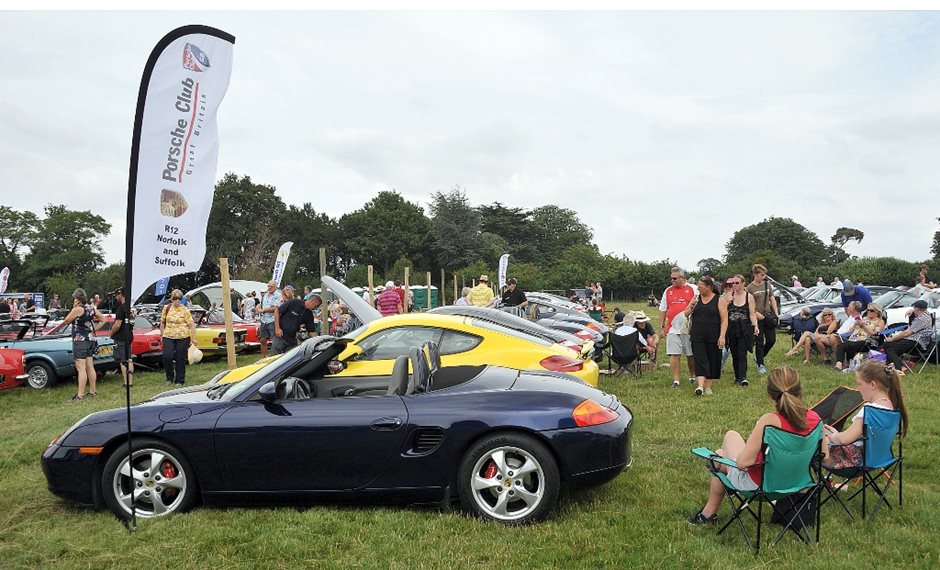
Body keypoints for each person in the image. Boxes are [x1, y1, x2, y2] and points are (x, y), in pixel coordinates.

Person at [688, 366, 821, 524]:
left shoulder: (769, 422)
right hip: (796, 482)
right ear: (800, 391)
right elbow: (823, 458)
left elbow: (742, 463)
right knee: (720, 455)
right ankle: (709, 510)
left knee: (726, 444)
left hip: (760, 485)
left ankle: (708, 514)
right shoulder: (816, 419)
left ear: (771, 396)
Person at [823, 360, 908, 469]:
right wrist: (837, 434)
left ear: (873, 385)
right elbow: (865, 436)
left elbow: (844, 439)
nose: (857, 388)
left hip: (854, 461)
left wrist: (830, 437)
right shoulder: (892, 408)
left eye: (859, 384)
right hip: (879, 458)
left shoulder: (870, 411)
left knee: (815, 443)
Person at [60, 288, 105, 401]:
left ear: (77, 299)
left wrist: (73, 307)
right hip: (90, 339)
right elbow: (103, 319)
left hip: (80, 340)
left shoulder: (78, 309)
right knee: (90, 367)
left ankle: (80, 395)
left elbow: (66, 320)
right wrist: (92, 329)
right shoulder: (90, 308)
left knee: (81, 369)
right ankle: (93, 392)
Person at [685, 276, 727, 396]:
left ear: (709, 287)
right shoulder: (696, 298)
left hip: (713, 334)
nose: (698, 288)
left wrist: (722, 336)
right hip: (697, 334)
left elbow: (724, 320)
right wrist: (691, 305)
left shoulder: (719, 300)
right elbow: (685, 313)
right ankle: (700, 386)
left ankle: (708, 387)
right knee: (700, 359)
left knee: (712, 359)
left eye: (700, 286)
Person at [659, 266, 697, 388]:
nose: (672, 281)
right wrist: (662, 327)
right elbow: (663, 309)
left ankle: (692, 375)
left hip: (688, 328)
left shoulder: (693, 289)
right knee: (674, 354)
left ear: (682, 277)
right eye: (671, 278)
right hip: (672, 328)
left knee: (690, 354)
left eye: (674, 278)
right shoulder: (668, 290)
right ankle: (676, 381)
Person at [724, 274, 759, 386]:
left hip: (744, 328)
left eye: (737, 283)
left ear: (743, 284)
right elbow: (722, 311)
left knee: (742, 353)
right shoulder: (729, 295)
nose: (734, 285)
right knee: (734, 353)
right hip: (732, 328)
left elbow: (752, 314)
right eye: (732, 283)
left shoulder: (749, 297)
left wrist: (756, 326)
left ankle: (743, 377)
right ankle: (737, 377)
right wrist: (728, 302)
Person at [883, 299, 934, 375]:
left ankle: (898, 370)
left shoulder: (921, 319)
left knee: (891, 350)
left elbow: (906, 333)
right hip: (913, 338)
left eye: (914, 307)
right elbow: (909, 330)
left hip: (916, 341)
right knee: (886, 345)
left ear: (918, 308)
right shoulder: (925, 314)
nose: (913, 309)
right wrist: (912, 313)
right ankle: (899, 365)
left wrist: (893, 338)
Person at [160, 289, 197, 386]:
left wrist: (193, 338)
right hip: (168, 335)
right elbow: (162, 322)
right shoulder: (166, 308)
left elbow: (191, 325)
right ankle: (169, 377)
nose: (177, 301)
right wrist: (162, 334)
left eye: (179, 299)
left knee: (180, 358)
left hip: (182, 336)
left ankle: (180, 379)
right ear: (171, 299)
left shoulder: (185, 309)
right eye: (175, 299)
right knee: (167, 356)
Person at [746, 264, 778, 375]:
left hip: (768, 316)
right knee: (759, 342)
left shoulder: (767, 284)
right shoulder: (749, 288)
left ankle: (759, 356)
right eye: (761, 275)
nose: (763, 277)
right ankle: (761, 364)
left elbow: (772, 299)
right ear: (755, 274)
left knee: (771, 340)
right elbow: (747, 304)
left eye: (764, 275)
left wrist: (776, 313)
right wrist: (755, 313)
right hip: (757, 318)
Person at [835, 302, 885, 371]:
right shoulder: (864, 318)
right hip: (854, 338)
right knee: (841, 345)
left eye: (872, 310)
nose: (869, 312)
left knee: (851, 345)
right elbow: (852, 331)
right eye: (868, 310)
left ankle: (849, 363)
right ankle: (839, 364)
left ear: (877, 312)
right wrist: (855, 324)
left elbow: (875, 335)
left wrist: (864, 326)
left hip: (868, 341)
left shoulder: (880, 321)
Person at [109, 287, 134, 386]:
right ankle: (130, 380)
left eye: (116, 295)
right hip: (129, 335)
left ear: (120, 294)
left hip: (121, 337)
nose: (115, 297)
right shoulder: (131, 308)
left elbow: (117, 325)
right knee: (129, 358)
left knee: (123, 360)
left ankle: (126, 382)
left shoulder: (121, 308)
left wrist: (111, 334)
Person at [256, 281, 282, 358]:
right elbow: (262, 304)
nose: (269, 288)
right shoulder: (265, 295)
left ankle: (276, 357)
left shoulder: (278, 295)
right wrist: (259, 307)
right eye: (268, 286)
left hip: (273, 320)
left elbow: (275, 308)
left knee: (275, 340)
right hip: (264, 320)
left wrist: (263, 310)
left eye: (271, 286)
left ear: (276, 287)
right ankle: (263, 357)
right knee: (262, 339)